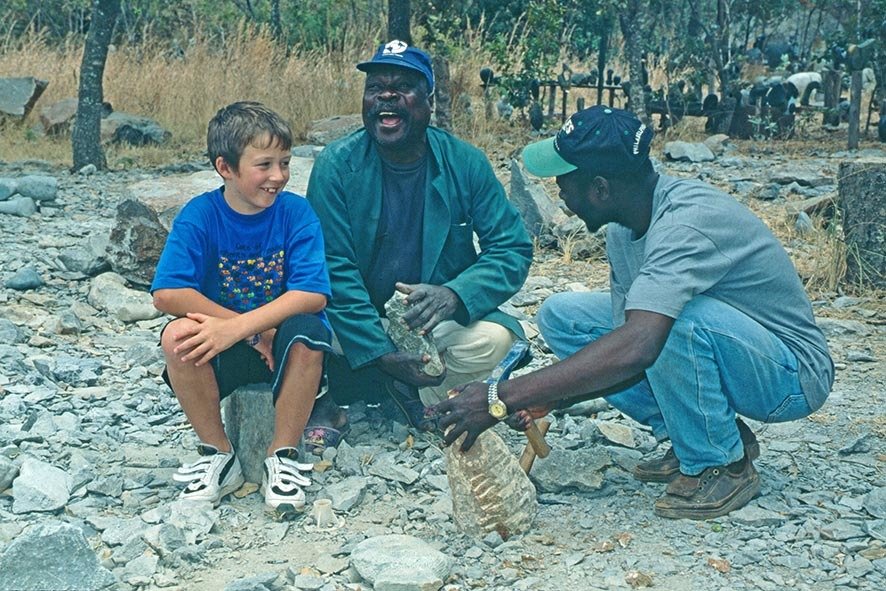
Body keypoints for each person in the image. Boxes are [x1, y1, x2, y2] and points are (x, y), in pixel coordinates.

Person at [434, 106, 834, 520]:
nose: (558, 191)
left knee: (671, 321)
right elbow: (624, 348)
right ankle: (696, 434)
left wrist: (501, 396)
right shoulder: (625, 228)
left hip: (790, 377)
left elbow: (639, 346)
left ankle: (721, 463)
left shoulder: (683, 225)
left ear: (600, 188)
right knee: (561, 317)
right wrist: (549, 396)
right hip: (730, 348)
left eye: (563, 179)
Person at [304, 40, 533, 447]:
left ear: (429, 101)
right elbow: (333, 266)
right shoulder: (336, 165)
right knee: (298, 322)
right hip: (354, 321)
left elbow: (511, 248)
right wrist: (380, 351)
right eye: (376, 88)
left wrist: (455, 294)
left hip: (427, 326)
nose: (386, 97)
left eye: (403, 87)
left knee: (495, 340)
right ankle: (351, 386)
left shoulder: (465, 162)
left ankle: (411, 391)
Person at [151, 102, 333, 510]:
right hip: (231, 351)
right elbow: (167, 293)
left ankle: (283, 455)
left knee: (310, 331)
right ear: (225, 167)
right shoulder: (200, 215)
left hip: (288, 352)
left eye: (285, 163)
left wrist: (247, 329)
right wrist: (249, 332)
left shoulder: (296, 213)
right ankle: (218, 453)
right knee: (178, 335)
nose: (278, 176)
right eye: (264, 165)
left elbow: (312, 294)